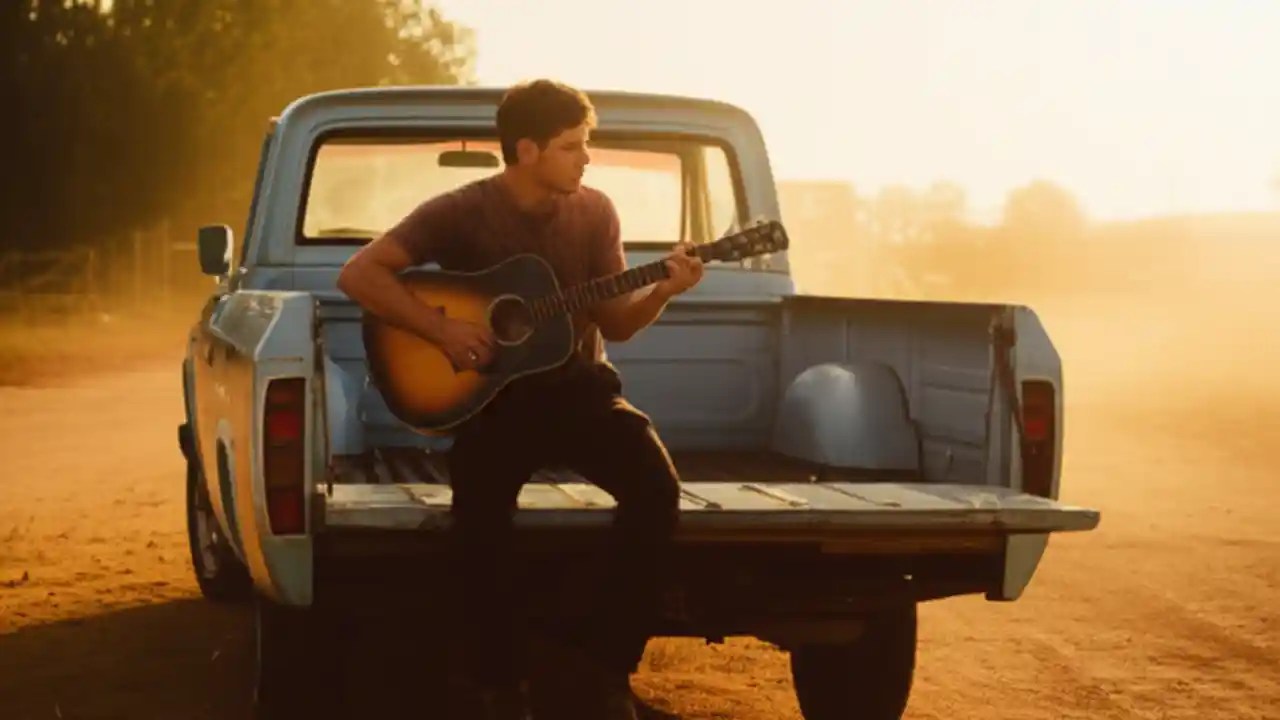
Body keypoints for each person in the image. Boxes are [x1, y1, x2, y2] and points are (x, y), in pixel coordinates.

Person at [336, 79, 705, 719]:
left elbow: (613, 324)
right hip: (497, 403)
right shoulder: (460, 210)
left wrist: (664, 290)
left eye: (586, 146)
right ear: (526, 150)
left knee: (656, 489)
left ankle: (604, 668)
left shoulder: (596, 212)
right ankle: (499, 683)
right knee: (479, 522)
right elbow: (359, 273)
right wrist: (444, 328)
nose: (586, 159)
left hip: (582, 392)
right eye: (572, 148)